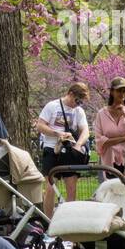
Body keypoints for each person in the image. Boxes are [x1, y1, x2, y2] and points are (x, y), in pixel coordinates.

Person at [35, 81, 91, 218]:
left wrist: (78, 145)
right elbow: (40, 126)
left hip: (69, 150)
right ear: (70, 94)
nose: (78, 104)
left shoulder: (78, 111)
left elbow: (85, 131)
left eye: (81, 102)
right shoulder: (52, 106)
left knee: (71, 187)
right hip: (51, 148)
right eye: (77, 100)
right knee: (50, 188)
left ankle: (69, 221)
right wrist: (57, 134)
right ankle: (48, 222)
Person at [93, 77, 125, 171]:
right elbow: (100, 141)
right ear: (112, 92)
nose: (122, 94)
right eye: (119, 91)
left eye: (124, 91)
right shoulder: (101, 114)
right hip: (110, 162)